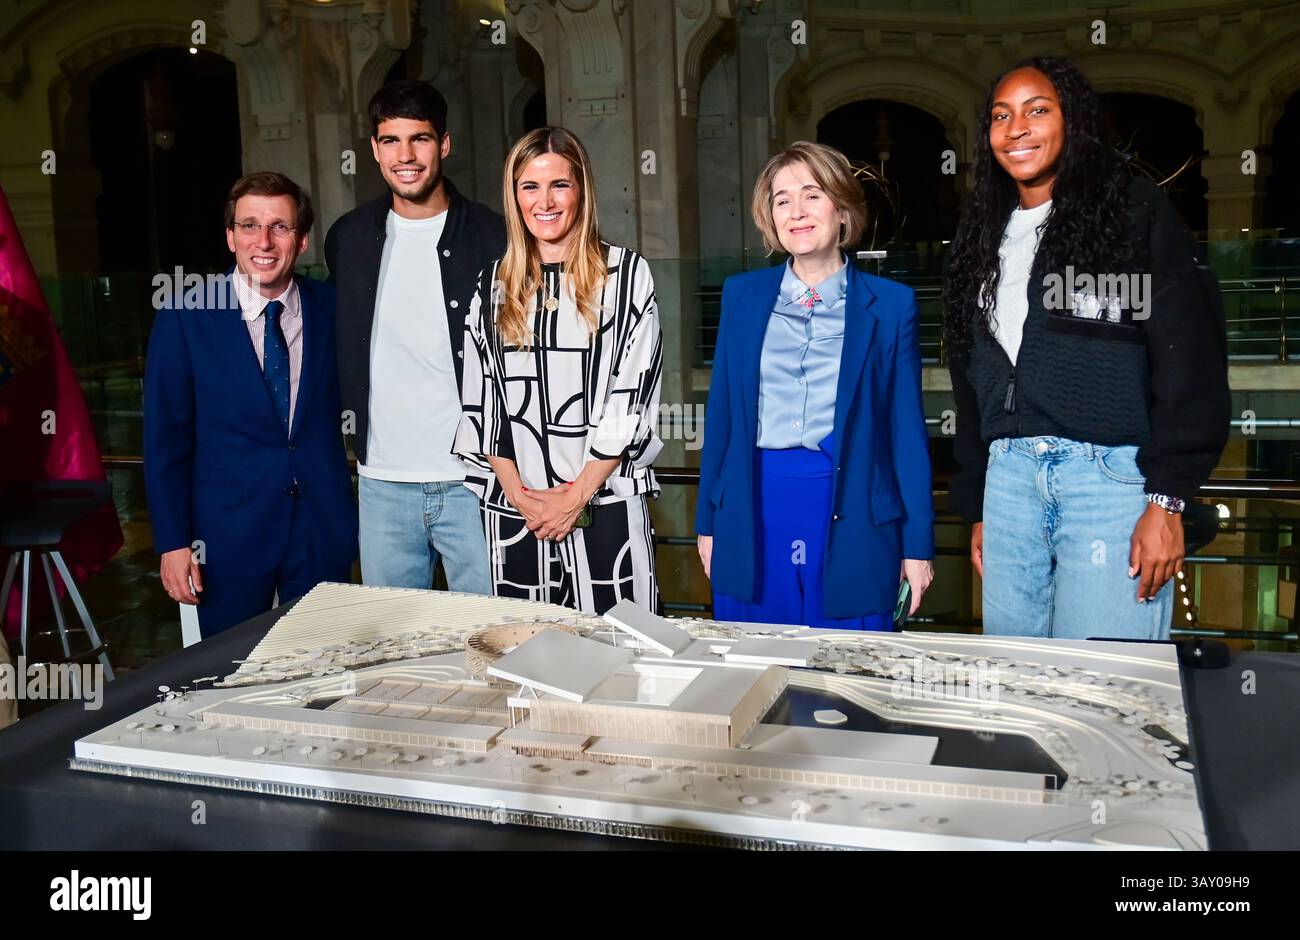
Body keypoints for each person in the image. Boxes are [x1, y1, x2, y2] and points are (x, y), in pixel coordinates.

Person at [943, 56, 1230, 640]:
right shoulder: (979, 236)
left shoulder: (1130, 212)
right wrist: (979, 507)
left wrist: (1168, 499)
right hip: (1009, 484)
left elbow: (1188, 355)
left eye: (1037, 110)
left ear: (1071, 120)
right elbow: (969, 382)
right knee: (1017, 691)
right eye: (1001, 116)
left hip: (1108, 483)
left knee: (1106, 689)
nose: (1016, 128)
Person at [696, 141, 935, 629]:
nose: (797, 212)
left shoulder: (891, 306)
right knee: (754, 675)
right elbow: (720, 419)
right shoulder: (742, 296)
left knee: (847, 682)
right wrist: (707, 524)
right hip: (753, 507)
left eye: (812, 195)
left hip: (853, 513)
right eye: (782, 200)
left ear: (842, 210)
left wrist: (918, 547)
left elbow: (906, 435)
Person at [454, 127, 663, 615]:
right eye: (530, 187)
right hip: (518, 512)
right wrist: (521, 496)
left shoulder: (627, 276)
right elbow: (482, 403)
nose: (544, 202)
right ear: (514, 196)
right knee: (530, 658)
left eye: (559, 185)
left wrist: (576, 497)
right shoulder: (493, 285)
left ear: (582, 190)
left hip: (606, 501)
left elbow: (630, 398)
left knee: (624, 657)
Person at [144, 172, 358, 637]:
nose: (264, 240)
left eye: (280, 226)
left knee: (325, 677)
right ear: (230, 236)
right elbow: (165, 443)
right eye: (249, 226)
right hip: (225, 539)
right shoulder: (185, 318)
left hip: (321, 530)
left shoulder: (334, 309)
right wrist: (174, 543)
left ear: (301, 241)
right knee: (230, 680)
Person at [325, 80, 504, 595]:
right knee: (394, 650)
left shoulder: (496, 238)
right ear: (375, 149)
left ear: (443, 144)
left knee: (491, 640)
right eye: (390, 140)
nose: (405, 156)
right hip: (382, 484)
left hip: (478, 481)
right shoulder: (350, 238)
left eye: (419, 139)